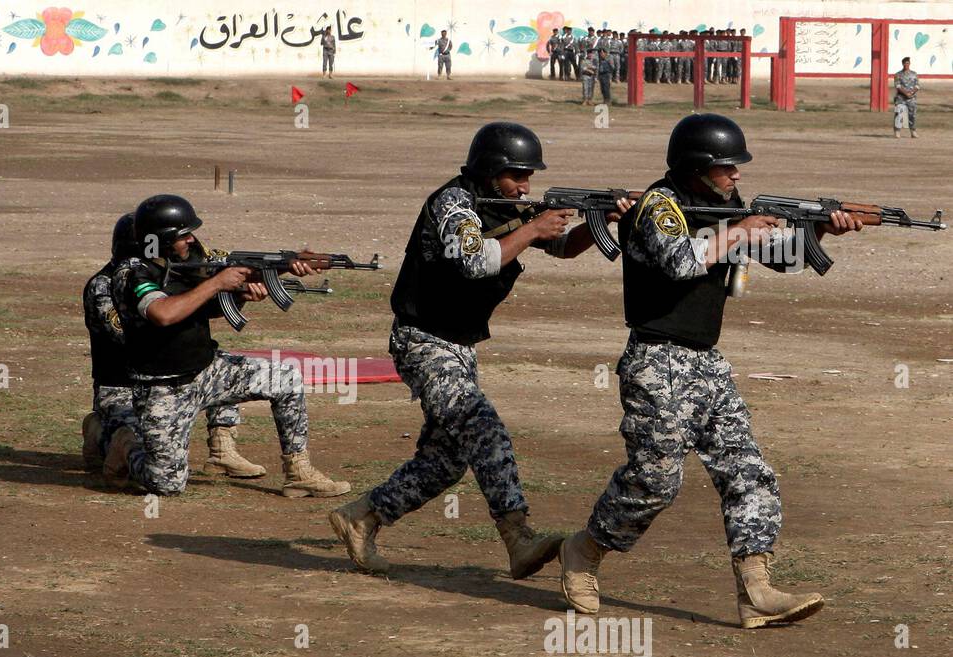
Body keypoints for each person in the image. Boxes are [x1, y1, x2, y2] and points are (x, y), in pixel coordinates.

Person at [557, 114, 863, 628]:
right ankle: (583, 551)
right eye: (726, 166)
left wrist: (819, 233)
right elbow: (681, 261)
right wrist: (739, 228)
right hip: (657, 362)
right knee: (655, 482)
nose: (736, 175)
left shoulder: (723, 207)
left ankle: (756, 590)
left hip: (707, 363)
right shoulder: (660, 205)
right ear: (697, 167)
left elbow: (777, 256)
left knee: (748, 471)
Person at [329, 122, 630, 577]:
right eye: (517, 175)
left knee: (445, 462)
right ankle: (517, 537)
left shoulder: (504, 206)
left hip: (459, 345)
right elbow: (474, 262)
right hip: (424, 340)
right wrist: (532, 229)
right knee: (481, 427)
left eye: (529, 176)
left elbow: (564, 248)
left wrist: (599, 222)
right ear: (490, 171)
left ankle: (362, 517)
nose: (526, 185)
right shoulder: (454, 205)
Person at [106, 195, 350, 499]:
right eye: (184, 235)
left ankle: (298, 472)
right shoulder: (132, 273)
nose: (191, 239)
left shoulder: (187, 259)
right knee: (167, 484)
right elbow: (164, 313)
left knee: (286, 379)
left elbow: (212, 294)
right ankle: (125, 445)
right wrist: (218, 284)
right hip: (163, 388)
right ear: (162, 239)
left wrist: (281, 268)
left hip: (208, 371)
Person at [82, 212, 267, 482]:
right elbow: (127, 335)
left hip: (164, 376)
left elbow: (199, 301)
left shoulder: (168, 277)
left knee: (215, 363)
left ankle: (222, 450)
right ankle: (98, 433)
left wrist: (234, 295)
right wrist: (177, 310)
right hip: (120, 385)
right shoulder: (104, 285)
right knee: (130, 438)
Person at [894, 57, 919, 139]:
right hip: (901, 98)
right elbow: (898, 86)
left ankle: (913, 132)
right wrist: (906, 93)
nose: (906, 65)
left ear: (909, 64)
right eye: (905, 63)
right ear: (903, 64)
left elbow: (917, 86)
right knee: (899, 115)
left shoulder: (914, 74)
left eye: (908, 63)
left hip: (911, 98)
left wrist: (911, 93)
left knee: (912, 115)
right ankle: (897, 131)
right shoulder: (898, 74)